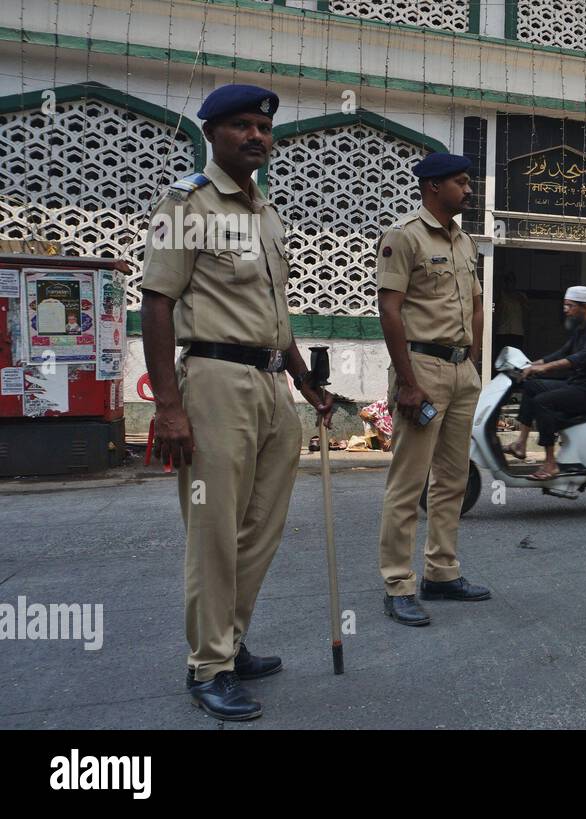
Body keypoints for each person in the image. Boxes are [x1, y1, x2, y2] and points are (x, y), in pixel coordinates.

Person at [141, 83, 335, 721]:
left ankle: (230, 638)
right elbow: (158, 304)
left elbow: (277, 316)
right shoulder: (185, 204)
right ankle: (209, 666)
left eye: (264, 127)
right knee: (215, 531)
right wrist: (168, 408)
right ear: (213, 132)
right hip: (216, 381)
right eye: (243, 126)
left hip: (274, 385)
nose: (257, 136)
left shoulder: (266, 212)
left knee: (262, 526)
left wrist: (306, 382)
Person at [376, 151, 489, 628]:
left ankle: (441, 572)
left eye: (468, 182)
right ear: (432, 187)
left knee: (453, 480)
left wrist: (475, 363)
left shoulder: (465, 243)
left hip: (462, 372)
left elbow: (478, 305)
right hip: (421, 369)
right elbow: (390, 309)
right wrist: (407, 381)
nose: (468, 190)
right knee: (408, 484)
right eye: (460, 183)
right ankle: (397, 583)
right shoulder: (404, 237)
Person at [507, 286, 586, 481]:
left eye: (570, 306)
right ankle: (520, 443)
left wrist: (545, 368)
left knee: (543, 401)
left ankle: (550, 463)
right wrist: (532, 364)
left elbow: (582, 357)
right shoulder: (581, 329)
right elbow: (563, 352)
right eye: (565, 305)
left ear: (584, 306)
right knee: (531, 385)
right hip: (577, 385)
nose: (565, 309)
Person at [492, 271, 527, 361]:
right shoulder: (501, 296)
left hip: (517, 332)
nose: (509, 284)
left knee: (515, 359)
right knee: (501, 358)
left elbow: (527, 312)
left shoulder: (521, 296)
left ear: (514, 283)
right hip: (502, 332)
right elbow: (495, 310)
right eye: (507, 281)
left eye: (511, 281)